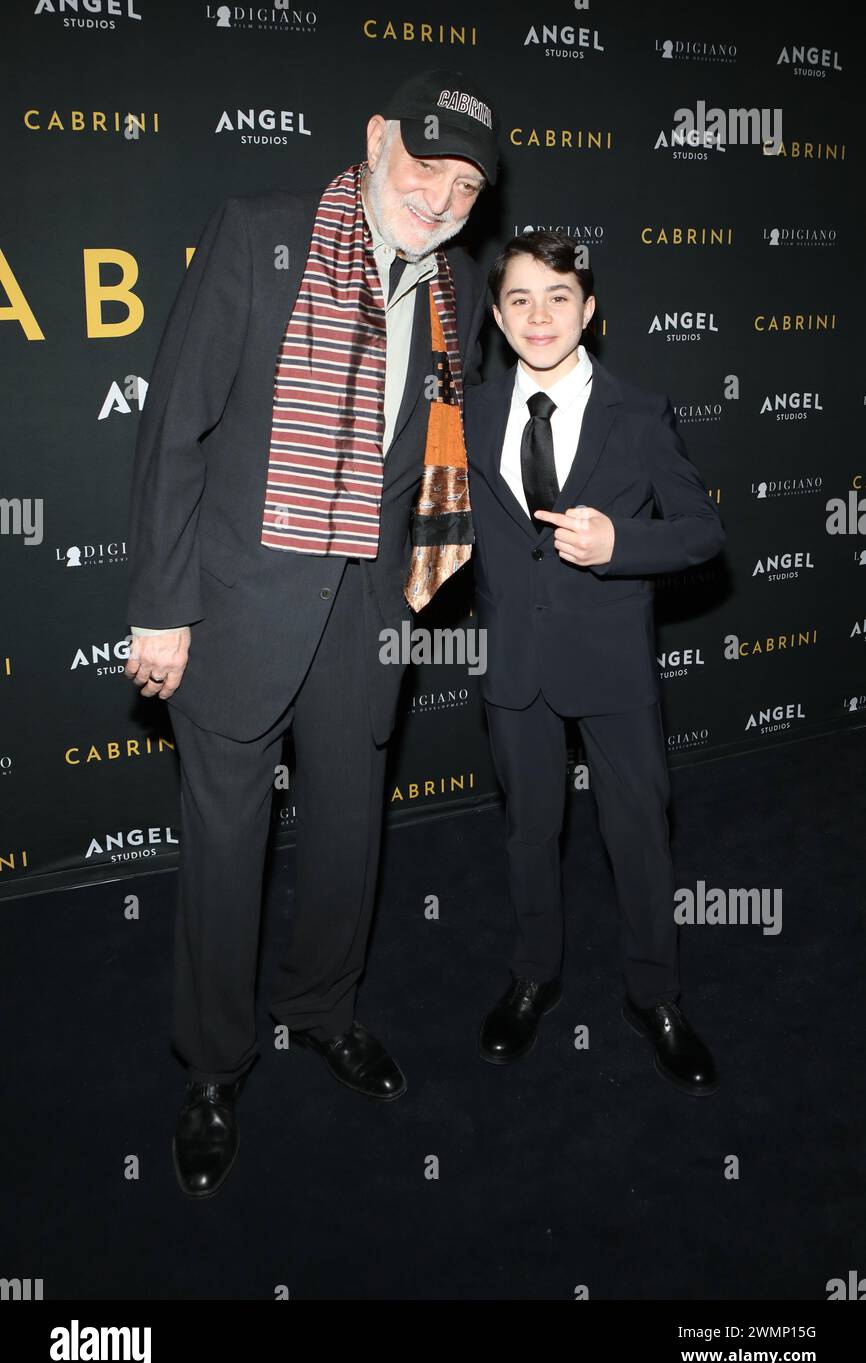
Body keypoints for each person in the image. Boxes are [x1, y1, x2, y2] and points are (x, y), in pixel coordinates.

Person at [123, 69, 498, 1196]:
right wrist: (162, 606)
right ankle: (212, 1066)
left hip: (370, 610)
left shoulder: (457, 286)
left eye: (467, 186)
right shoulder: (260, 234)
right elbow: (174, 430)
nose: (440, 198)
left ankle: (324, 1006)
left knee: (347, 829)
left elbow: (436, 448)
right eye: (426, 165)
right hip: (237, 603)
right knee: (225, 849)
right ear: (377, 140)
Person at [463, 231, 726, 1096]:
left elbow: (703, 532)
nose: (540, 317)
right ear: (498, 317)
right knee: (529, 830)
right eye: (520, 299)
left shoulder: (640, 413)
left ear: (590, 310)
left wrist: (622, 545)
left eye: (559, 297)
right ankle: (534, 975)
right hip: (513, 664)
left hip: (612, 662)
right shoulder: (466, 415)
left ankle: (655, 995)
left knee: (639, 833)